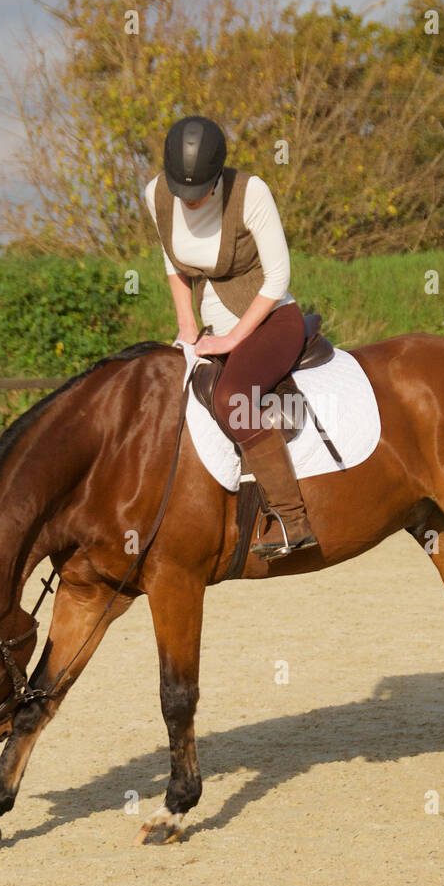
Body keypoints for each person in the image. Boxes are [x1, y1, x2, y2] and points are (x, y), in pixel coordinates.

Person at [143, 115, 318, 560]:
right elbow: (174, 265)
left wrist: (232, 339)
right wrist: (187, 332)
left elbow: (278, 277)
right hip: (209, 323)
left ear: (218, 174)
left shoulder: (251, 193)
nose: (191, 201)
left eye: (200, 191)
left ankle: (291, 519)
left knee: (232, 397)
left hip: (270, 319)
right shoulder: (156, 195)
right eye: (184, 192)